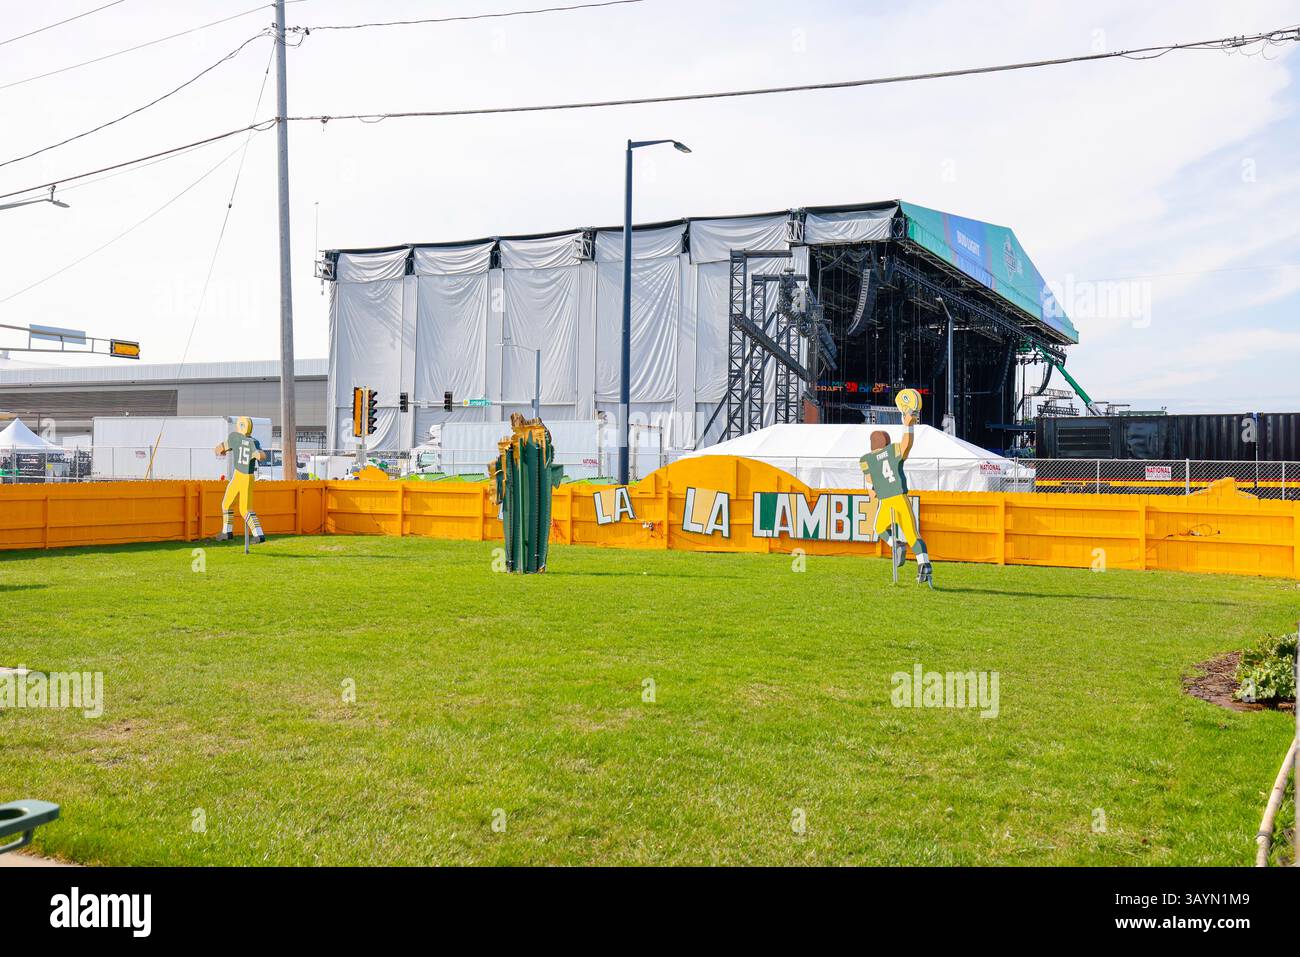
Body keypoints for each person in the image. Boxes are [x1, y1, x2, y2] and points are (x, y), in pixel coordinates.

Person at [860, 411, 933, 585]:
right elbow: (906, 445)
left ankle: (896, 544)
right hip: (899, 498)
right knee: (912, 534)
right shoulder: (892, 450)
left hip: (886, 500)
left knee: (879, 528)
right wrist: (908, 426)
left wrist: (873, 492)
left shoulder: (866, 459)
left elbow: (870, 485)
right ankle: (923, 564)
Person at [214, 416, 267, 544]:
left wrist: (221, 452)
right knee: (229, 504)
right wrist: (255, 454)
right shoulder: (252, 442)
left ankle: (258, 535)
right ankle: (227, 532)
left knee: (240, 508)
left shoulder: (234, 438)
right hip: (246, 476)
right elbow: (261, 456)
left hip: (240, 475)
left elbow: (218, 449)